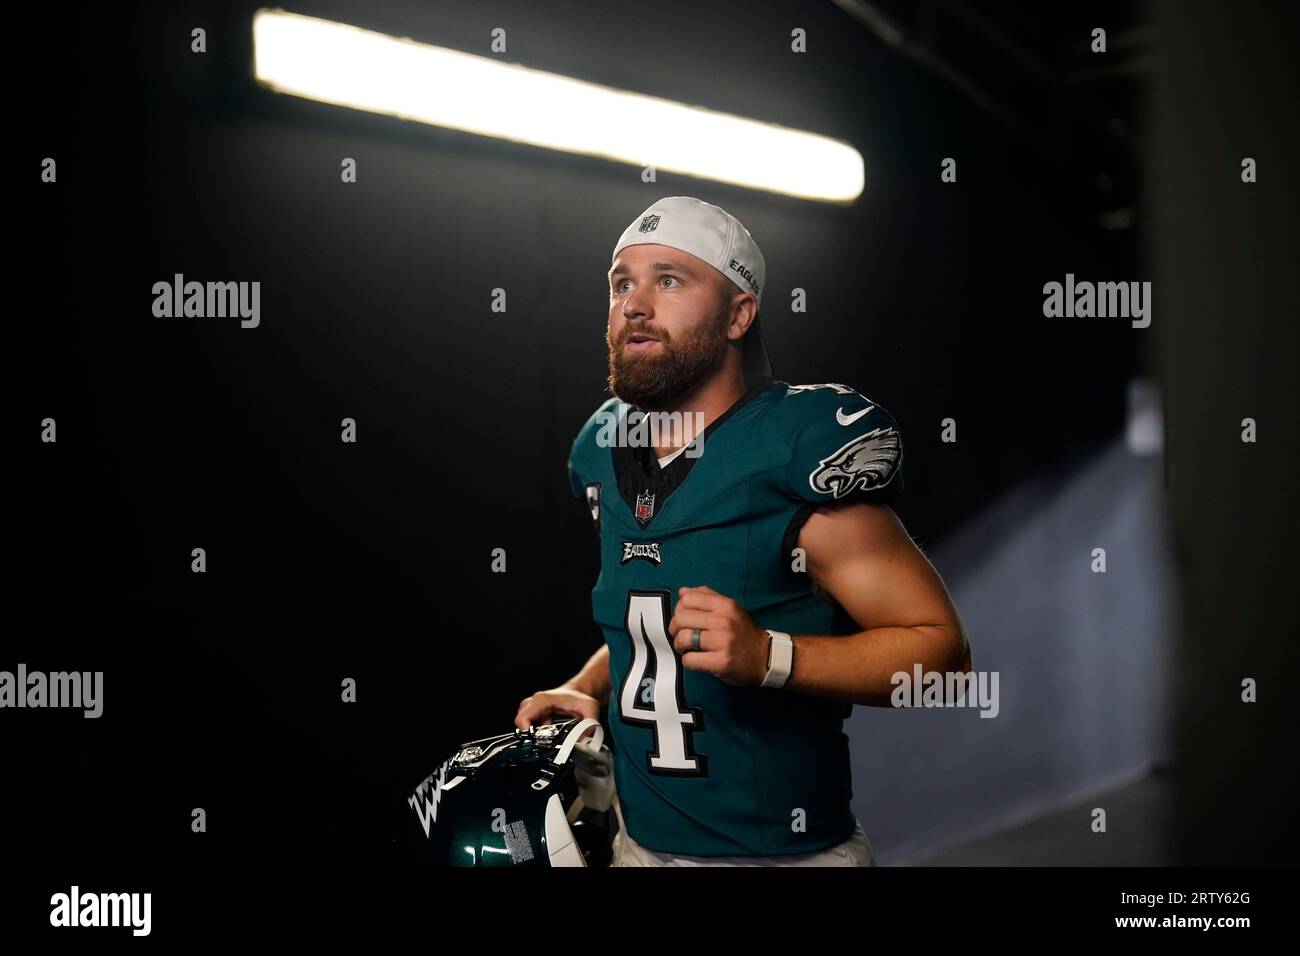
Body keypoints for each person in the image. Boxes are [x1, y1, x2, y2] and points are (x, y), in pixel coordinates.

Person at [516, 196, 970, 866]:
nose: (635, 305)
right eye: (621, 283)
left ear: (738, 314)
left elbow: (946, 663)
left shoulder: (793, 453)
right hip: (637, 845)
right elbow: (656, 621)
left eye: (669, 280)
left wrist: (770, 658)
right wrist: (587, 685)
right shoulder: (603, 449)